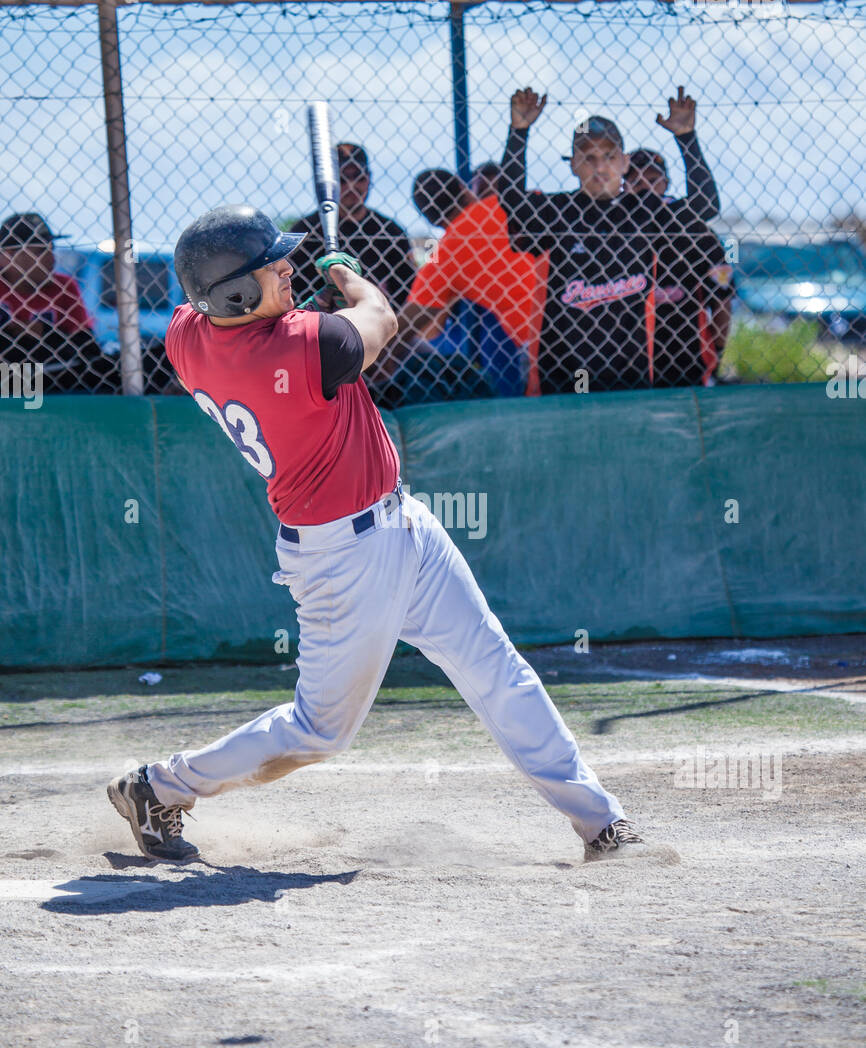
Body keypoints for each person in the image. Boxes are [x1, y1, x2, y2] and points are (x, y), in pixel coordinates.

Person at [106, 203, 646, 865]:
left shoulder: (188, 337)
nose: (289, 266)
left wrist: (298, 290)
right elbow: (382, 319)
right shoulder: (305, 344)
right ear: (236, 293)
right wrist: (352, 277)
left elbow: (240, 316)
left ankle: (601, 822)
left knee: (496, 669)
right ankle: (158, 786)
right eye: (271, 265)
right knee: (320, 731)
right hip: (344, 555)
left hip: (399, 524)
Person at [501, 90, 729, 393]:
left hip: (630, 373)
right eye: (589, 158)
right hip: (565, 373)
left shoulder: (645, 210)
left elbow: (706, 205)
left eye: (609, 156)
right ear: (573, 165)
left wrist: (687, 137)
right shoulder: (557, 211)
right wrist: (519, 132)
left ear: (624, 163)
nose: (599, 167)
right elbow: (511, 201)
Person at [396, 168, 547, 397]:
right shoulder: (508, 205)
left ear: (429, 217)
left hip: (534, 340)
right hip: (572, 314)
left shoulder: (443, 256)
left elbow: (409, 323)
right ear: (463, 189)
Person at [287, 142, 416, 308]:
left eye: (359, 177)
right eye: (342, 179)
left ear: (369, 178)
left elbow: (407, 291)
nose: (352, 186)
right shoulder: (305, 231)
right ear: (330, 183)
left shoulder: (390, 231)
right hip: (317, 326)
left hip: (374, 324)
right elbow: (292, 291)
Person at [0, 212, 118, 392]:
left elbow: (87, 345)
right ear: (8, 255)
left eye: (51, 249)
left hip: (51, 376)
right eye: (41, 250)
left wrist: (43, 331)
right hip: (9, 375)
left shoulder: (63, 286)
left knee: (106, 369)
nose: (51, 257)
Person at [623, 87, 720, 221]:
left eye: (653, 181)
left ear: (666, 182)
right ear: (624, 187)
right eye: (636, 182)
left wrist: (686, 137)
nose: (646, 188)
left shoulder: (671, 214)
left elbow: (706, 206)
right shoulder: (616, 215)